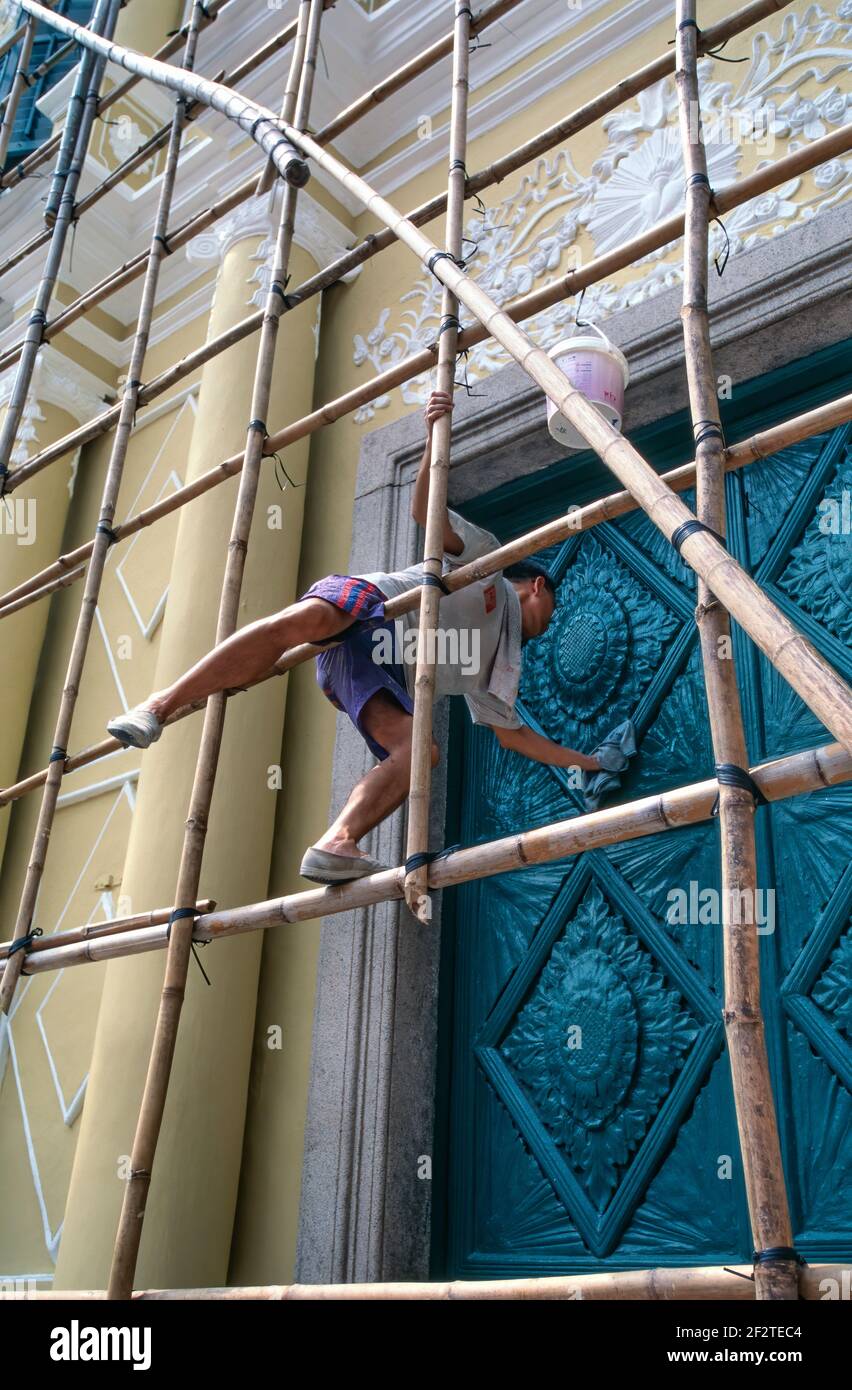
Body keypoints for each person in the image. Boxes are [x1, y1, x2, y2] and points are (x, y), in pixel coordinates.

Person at [107, 391, 611, 884]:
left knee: (420, 751)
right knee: (296, 626)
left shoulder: (500, 667)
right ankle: (160, 705)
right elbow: (427, 515)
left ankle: (336, 842)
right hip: (372, 605)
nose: (548, 625)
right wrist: (435, 439)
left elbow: (513, 736)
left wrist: (589, 762)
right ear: (538, 586)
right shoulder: (492, 562)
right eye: (552, 610)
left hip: (380, 667)